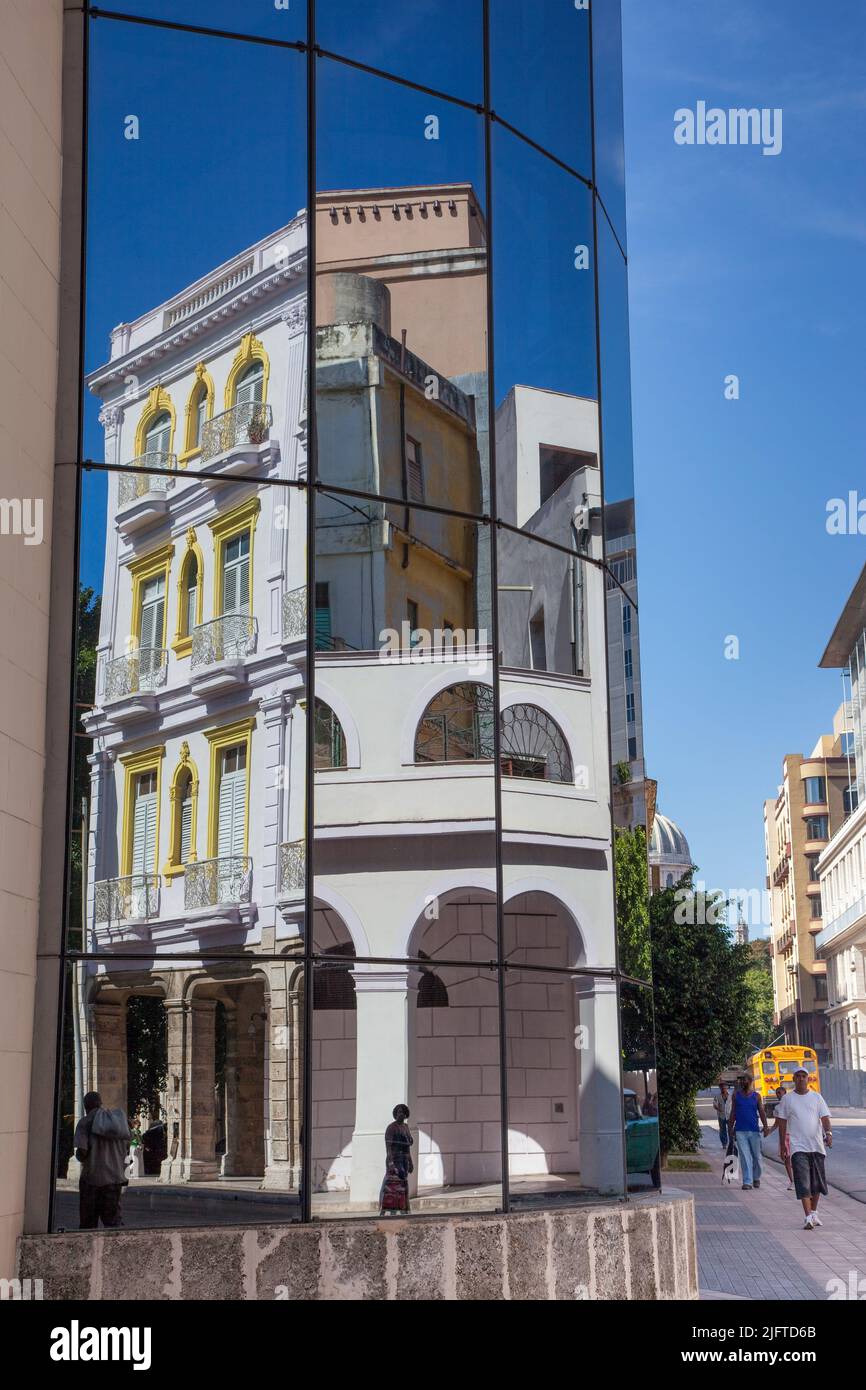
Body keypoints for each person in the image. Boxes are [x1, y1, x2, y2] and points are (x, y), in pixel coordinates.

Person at [775, 1067, 832, 1231]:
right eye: (798, 1076)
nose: (800, 1079)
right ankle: (808, 1217)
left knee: (817, 1183)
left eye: (803, 1076)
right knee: (802, 1181)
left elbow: (825, 1118)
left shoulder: (816, 1097)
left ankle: (814, 1212)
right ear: (793, 1079)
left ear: (808, 1079)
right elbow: (782, 1124)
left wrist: (828, 1133)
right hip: (797, 1147)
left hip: (816, 1146)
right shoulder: (787, 1099)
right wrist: (782, 1146)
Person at [74, 1091, 130, 1230]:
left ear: (86, 1106)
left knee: (88, 1225)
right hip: (114, 1180)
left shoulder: (85, 1123)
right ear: (100, 1104)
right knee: (113, 1224)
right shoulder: (117, 1123)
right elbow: (126, 1149)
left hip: (92, 1181)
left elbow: (82, 1152)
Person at [728, 1074, 769, 1190]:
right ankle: (747, 1181)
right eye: (741, 1081)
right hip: (740, 1130)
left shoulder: (756, 1096)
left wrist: (766, 1127)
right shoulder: (736, 1096)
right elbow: (733, 1112)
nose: (742, 1083)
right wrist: (730, 1128)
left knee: (757, 1157)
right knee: (745, 1157)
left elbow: (761, 1112)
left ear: (750, 1081)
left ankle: (756, 1177)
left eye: (744, 1080)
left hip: (754, 1131)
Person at [380, 1104, 414, 1215]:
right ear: (395, 1114)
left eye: (403, 1112)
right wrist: (390, 1163)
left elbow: (408, 1146)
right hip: (394, 1159)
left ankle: (403, 1209)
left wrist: (410, 1162)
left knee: (403, 1186)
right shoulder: (391, 1128)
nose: (401, 1114)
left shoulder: (406, 1127)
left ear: (405, 1114)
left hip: (404, 1160)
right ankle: (387, 1210)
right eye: (399, 1112)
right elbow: (388, 1147)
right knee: (391, 1186)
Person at [769, 1085, 794, 1190]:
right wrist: (768, 1131)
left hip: (794, 1136)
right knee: (787, 1160)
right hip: (784, 1137)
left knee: (797, 1159)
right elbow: (777, 1124)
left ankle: (801, 1180)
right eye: (777, 1093)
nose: (779, 1095)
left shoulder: (792, 1105)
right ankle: (792, 1181)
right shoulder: (777, 1108)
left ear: (785, 1093)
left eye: (780, 1093)